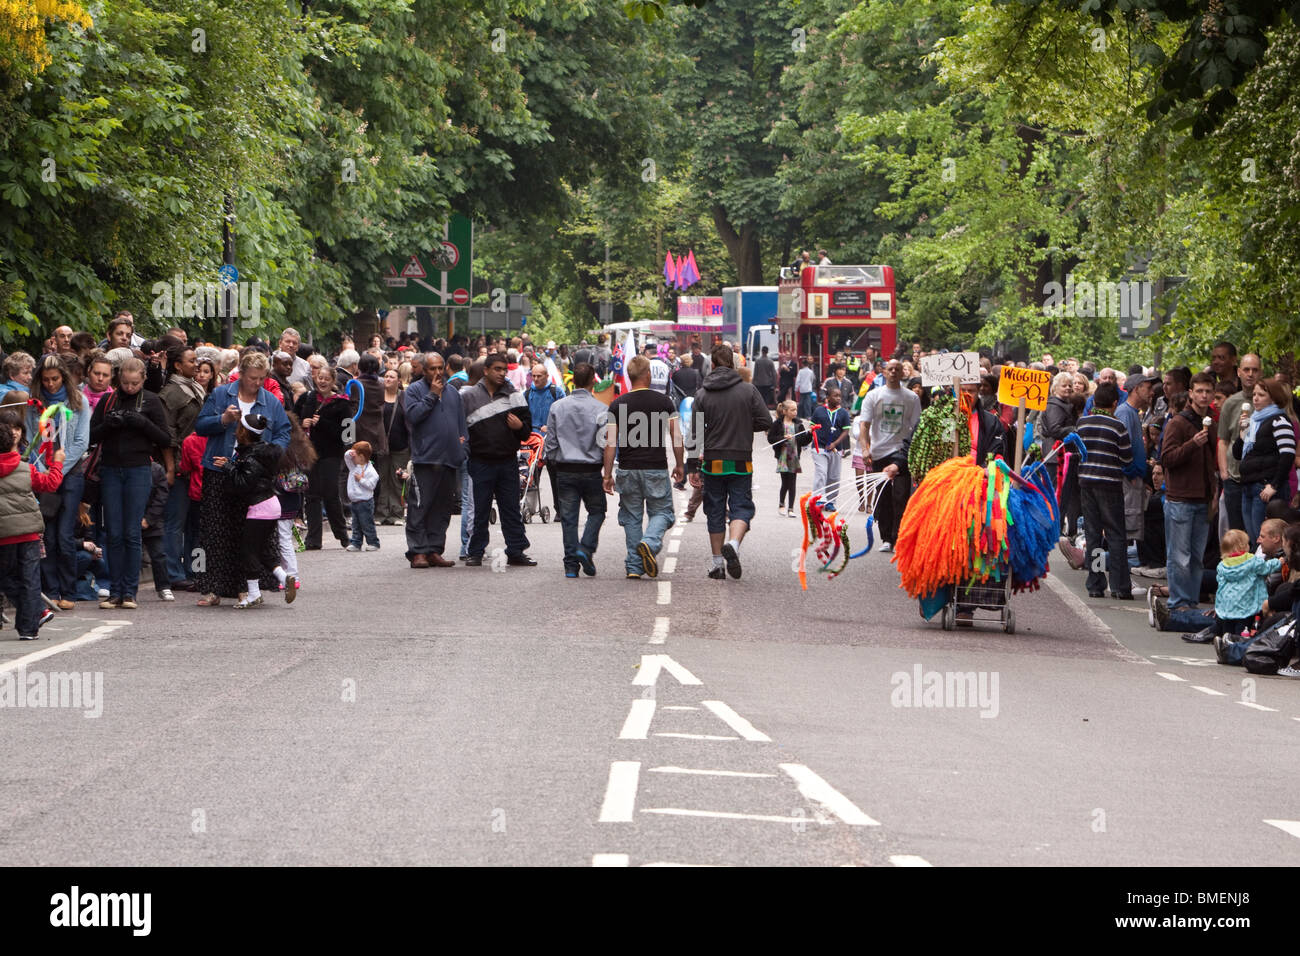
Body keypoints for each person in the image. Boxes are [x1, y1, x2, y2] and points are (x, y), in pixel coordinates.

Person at [193, 352, 292, 606]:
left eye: (261, 378)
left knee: (246, 532)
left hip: (252, 475)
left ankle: (245, 588)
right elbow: (200, 425)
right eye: (252, 378)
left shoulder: (270, 401)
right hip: (219, 470)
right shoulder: (221, 394)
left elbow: (284, 431)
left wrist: (270, 454)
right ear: (241, 374)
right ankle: (213, 588)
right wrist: (222, 419)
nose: (257, 383)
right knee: (215, 531)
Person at [88, 357, 172, 609]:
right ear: (118, 379)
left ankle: (129, 592)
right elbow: (91, 435)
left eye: (135, 383)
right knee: (114, 533)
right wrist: (109, 425)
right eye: (124, 383)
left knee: (132, 533)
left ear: (143, 379)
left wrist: (141, 422)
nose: (129, 387)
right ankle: (114, 590)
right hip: (111, 468)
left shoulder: (151, 400)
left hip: (138, 469)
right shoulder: (108, 399)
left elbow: (165, 438)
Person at [689, 344, 771, 580]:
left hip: (713, 461)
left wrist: (692, 466)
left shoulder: (702, 394)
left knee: (714, 510)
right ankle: (733, 545)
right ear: (734, 365)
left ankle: (717, 565)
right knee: (741, 507)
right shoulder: (748, 390)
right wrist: (746, 424)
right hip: (741, 460)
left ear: (712, 365)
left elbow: (694, 433)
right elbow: (766, 420)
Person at [602, 357, 682, 579]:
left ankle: (635, 567)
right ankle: (649, 542)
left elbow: (610, 443)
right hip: (655, 467)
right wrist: (680, 464)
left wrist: (607, 474)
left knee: (631, 517)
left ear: (629, 376)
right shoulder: (664, 402)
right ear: (648, 374)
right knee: (664, 512)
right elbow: (676, 436)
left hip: (627, 469)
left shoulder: (617, 404)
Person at [24, 355, 91, 610]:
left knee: (64, 535)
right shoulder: (34, 406)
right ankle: (51, 590)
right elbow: (31, 440)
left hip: (70, 473)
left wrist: (58, 469)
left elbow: (81, 442)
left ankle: (69, 592)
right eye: (46, 380)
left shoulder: (79, 402)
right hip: (43, 473)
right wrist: (44, 471)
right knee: (48, 535)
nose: (51, 384)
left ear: (64, 377)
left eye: (55, 379)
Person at [462, 351, 535, 567]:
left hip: (507, 461)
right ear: (486, 370)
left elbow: (527, 430)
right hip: (480, 461)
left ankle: (515, 550)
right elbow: (461, 429)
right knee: (480, 509)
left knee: (510, 508)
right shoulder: (469, 397)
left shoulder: (515, 395)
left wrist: (520, 427)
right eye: (497, 369)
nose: (502, 373)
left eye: (505, 369)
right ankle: (475, 551)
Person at [538, 363, 608, 577]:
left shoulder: (558, 407)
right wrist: (608, 471)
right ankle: (585, 547)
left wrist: (553, 461)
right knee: (597, 511)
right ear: (592, 382)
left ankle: (571, 565)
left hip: (565, 469)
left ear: (573, 381)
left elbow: (550, 441)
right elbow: (606, 442)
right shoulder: (601, 409)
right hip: (591, 469)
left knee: (568, 518)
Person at [218, 413, 294, 608]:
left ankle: (253, 594)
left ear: (243, 432)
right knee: (260, 549)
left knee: (248, 551)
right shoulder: (260, 451)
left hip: (260, 506)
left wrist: (228, 467)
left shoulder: (252, 456)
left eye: (238, 427)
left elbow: (244, 483)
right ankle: (284, 579)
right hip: (270, 504)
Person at [0, 415, 64, 639]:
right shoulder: (25, 468)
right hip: (28, 533)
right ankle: (29, 627)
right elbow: (50, 483)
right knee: (30, 578)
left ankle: (34, 612)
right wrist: (57, 462)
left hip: (3, 535)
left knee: (5, 577)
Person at [1160, 372, 1218, 618]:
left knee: (1196, 559)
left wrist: (1213, 494)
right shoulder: (1178, 423)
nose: (1204, 395)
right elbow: (1167, 458)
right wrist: (1192, 443)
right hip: (1180, 499)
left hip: (1202, 499)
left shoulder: (1211, 422)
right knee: (1179, 557)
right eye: (1200, 391)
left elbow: (1212, 463)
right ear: (1191, 393)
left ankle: (1190, 602)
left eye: (1208, 391)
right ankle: (1178, 602)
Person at [1072, 382, 1135, 599]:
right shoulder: (1117, 426)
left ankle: (1096, 584)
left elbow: (1077, 451)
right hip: (1110, 484)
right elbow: (1127, 458)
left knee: (1093, 534)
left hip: (1087, 483)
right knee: (1116, 535)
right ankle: (1119, 586)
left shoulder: (1082, 423)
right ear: (1115, 403)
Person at [402, 351, 464, 568]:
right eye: (432, 369)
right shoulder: (414, 391)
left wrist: (462, 447)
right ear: (424, 370)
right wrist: (432, 395)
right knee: (419, 506)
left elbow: (460, 423)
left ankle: (435, 549)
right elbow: (413, 416)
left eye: (440, 368)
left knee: (442, 508)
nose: (437, 372)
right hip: (426, 459)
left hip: (449, 459)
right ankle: (418, 551)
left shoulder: (454, 393)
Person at [858, 359, 921, 552]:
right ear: (884, 372)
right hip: (879, 452)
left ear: (903, 373)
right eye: (890, 369)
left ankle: (898, 537)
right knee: (883, 496)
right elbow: (864, 424)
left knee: (901, 495)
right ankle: (886, 537)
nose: (894, 372)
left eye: (898, 369)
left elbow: (917, 427)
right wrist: (865, 448)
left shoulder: (911, 398)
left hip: (901, 453)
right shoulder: (874, 395)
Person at [158, 344, 205, 590]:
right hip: (179, 466)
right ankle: (174, 574)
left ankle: (195, 570)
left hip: (199, 465)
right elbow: (168, 435)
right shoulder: (170, 394)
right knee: (175, 523)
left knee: (197, 524)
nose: (196, 364)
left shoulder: (196, 387)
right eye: (191, 361)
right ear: (177, 365)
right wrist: (170, 468)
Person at [1233, 377, 1298, 546]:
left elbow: (1287, 455)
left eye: (1261, 395)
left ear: (1273, 397)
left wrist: (1274, 485)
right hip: (1248, 486)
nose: (1255, 398)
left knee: (1267, 542)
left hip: (1265, 488)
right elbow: (1238, 454)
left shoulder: (1279, 420)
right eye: (1254, 394)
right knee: (1254, 539)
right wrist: (1242, 434)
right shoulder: (1254, 421)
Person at [295, 362, 352, 550]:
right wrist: (302, 423)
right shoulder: (306, 398)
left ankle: (342, 534)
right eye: (320, 378)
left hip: (331, 453)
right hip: (309, 452)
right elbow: (291, 420)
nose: (322, 382)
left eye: (327, 379)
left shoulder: (342, 403)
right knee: (311, 494)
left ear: (333, 381)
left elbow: (348, 435)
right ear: (315, 378)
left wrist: (324, 423)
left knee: (330, 493)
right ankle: (313, 538)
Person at [1212, 528, 1280, 637]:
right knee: (1243, 631)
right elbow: (1266, 567)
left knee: (1227, 630)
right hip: (1246, 605)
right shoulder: (1252, 561)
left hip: (1227, 606)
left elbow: (1220, 582)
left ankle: (1226, 643)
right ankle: (1238, 645)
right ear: (1243, 546)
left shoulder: (1222, 566)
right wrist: (1278, 562)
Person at [527, 362, 566, 514]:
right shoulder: (527, 394)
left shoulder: (556, 392)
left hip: (552, 443)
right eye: (533, 376)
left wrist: (551, 428)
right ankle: (529, 508)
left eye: (539, 376)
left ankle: (560, 509)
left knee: (555, 478)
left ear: (546, 376)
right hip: (533, 442)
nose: (535, 379)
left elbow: (564, 416)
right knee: (529, 476)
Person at [809, 386, 852, 511]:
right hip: (820, 448)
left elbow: (845, 431)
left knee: (834, 476)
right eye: (835, 396)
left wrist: (835, 443)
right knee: (821, 472)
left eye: (839, 396)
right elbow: (812, 427)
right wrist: (815, 436)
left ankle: (830, 501)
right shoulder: (819, 411)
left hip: (836, 449)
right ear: (827, 398)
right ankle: (818, 499)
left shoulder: (843, 413)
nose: (838, 398)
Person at [768, 399, 810, 516]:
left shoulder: (798, 424)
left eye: (796, 409)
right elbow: (771, 439)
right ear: (785, 411)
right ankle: (781, 504)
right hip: (782, 456)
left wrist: (810, 434)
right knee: (785, 482)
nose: (795, 412)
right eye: (792, 410)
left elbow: (803, 441)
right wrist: (782, 438)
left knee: (792, 482)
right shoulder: (777, 424)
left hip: (794, 456)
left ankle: (791, 508)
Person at [140, 459, 174, 601]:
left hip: (153, 520)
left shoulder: (156, 469)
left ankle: (164, 587)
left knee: (158, 555)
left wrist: (149, 519)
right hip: (131, 518)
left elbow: (161, 497)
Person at [344, 441, 381, 552]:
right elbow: (346, 457)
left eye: (355, 455)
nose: (352, 458)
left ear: (361, 457)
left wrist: (361, 480)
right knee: (356, 524)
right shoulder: (353, 467)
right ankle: (356, 543)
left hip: (365, 502)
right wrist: (350, 452)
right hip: (354, 501)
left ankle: (373, 542)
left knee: (367, 523)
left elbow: (371, 485)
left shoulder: (371, 471)